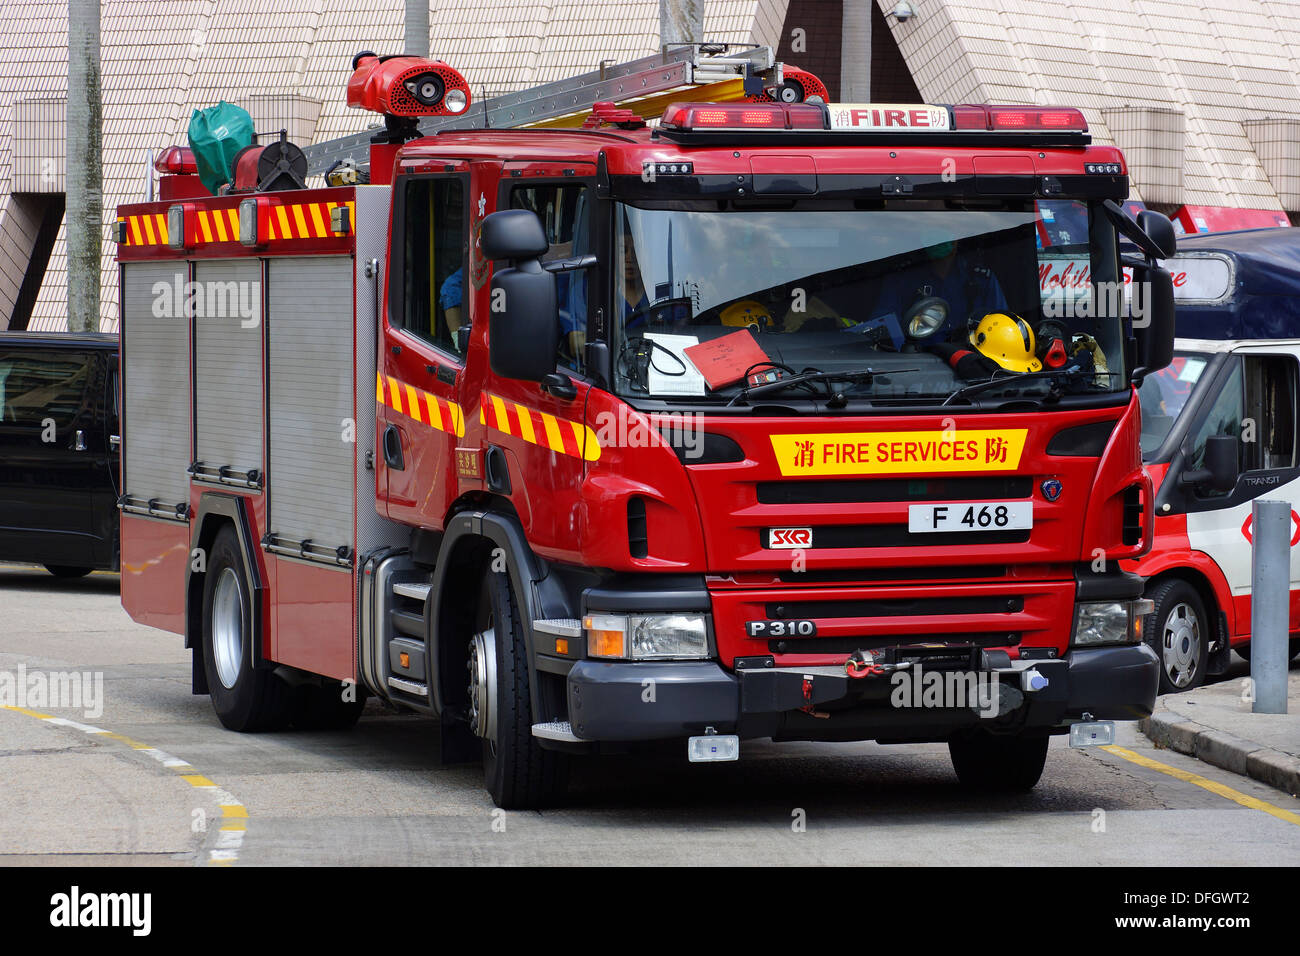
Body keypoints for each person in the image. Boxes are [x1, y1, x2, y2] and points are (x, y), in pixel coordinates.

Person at [874, 239, 1008, 340]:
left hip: (971, 367)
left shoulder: (981, 279)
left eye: (945, 229)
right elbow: (883, 332)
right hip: (915, 366)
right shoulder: (901, 279)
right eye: (932, 230)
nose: (938, 238)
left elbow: (1002, 330)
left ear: (958, 237)